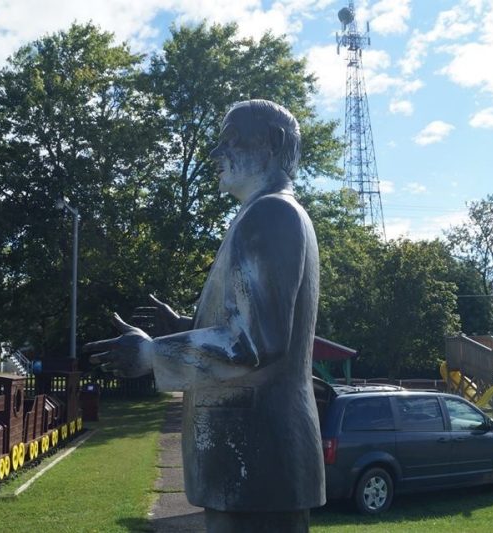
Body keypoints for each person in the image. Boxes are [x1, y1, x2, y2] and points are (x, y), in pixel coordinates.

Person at [84, 99, 324, 532]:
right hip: (254, 465)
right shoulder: (265, 213)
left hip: (257, 461)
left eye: (230, 140)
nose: (216, 154)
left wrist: (151, 355)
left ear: (270, 143)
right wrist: (184, 328)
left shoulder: (272, 214)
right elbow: (250, 325)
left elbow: (253, 343)